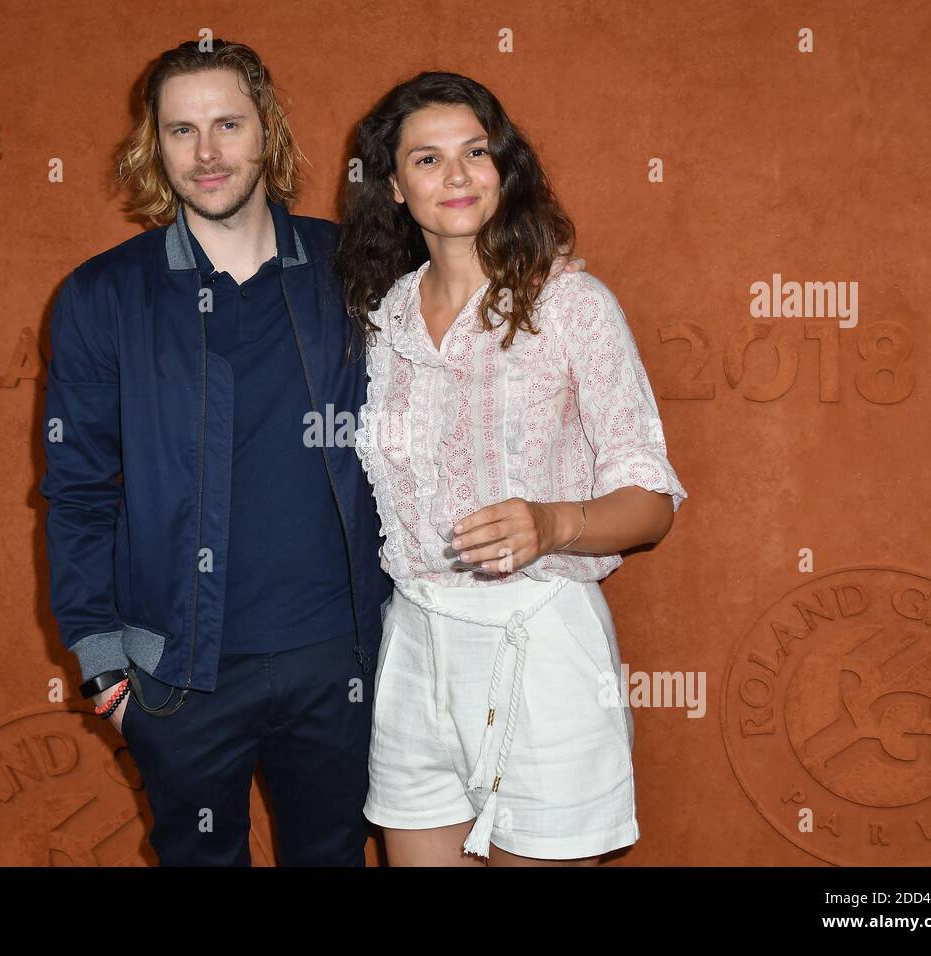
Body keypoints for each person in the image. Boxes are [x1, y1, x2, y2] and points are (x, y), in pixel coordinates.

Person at [39, 40, 587, 866]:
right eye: (182, 131)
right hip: (178, 675)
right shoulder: (101, 297)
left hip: (346, 661)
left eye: (228, 124)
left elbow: (470, 312)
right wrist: (104, 670)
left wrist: (537, 276)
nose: (208, 152)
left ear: (269, 133)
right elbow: (77, 488)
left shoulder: (357, 269)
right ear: (156, 147)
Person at [336, 71, 689, 867]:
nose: (456, 176)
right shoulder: (376, 320)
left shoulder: (572, 306)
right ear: (392, 185)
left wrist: (555, 522)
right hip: (414, 647)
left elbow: (652, 501)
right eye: (426, 160)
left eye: (476, 151)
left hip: (543, 649)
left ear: (506, 167)